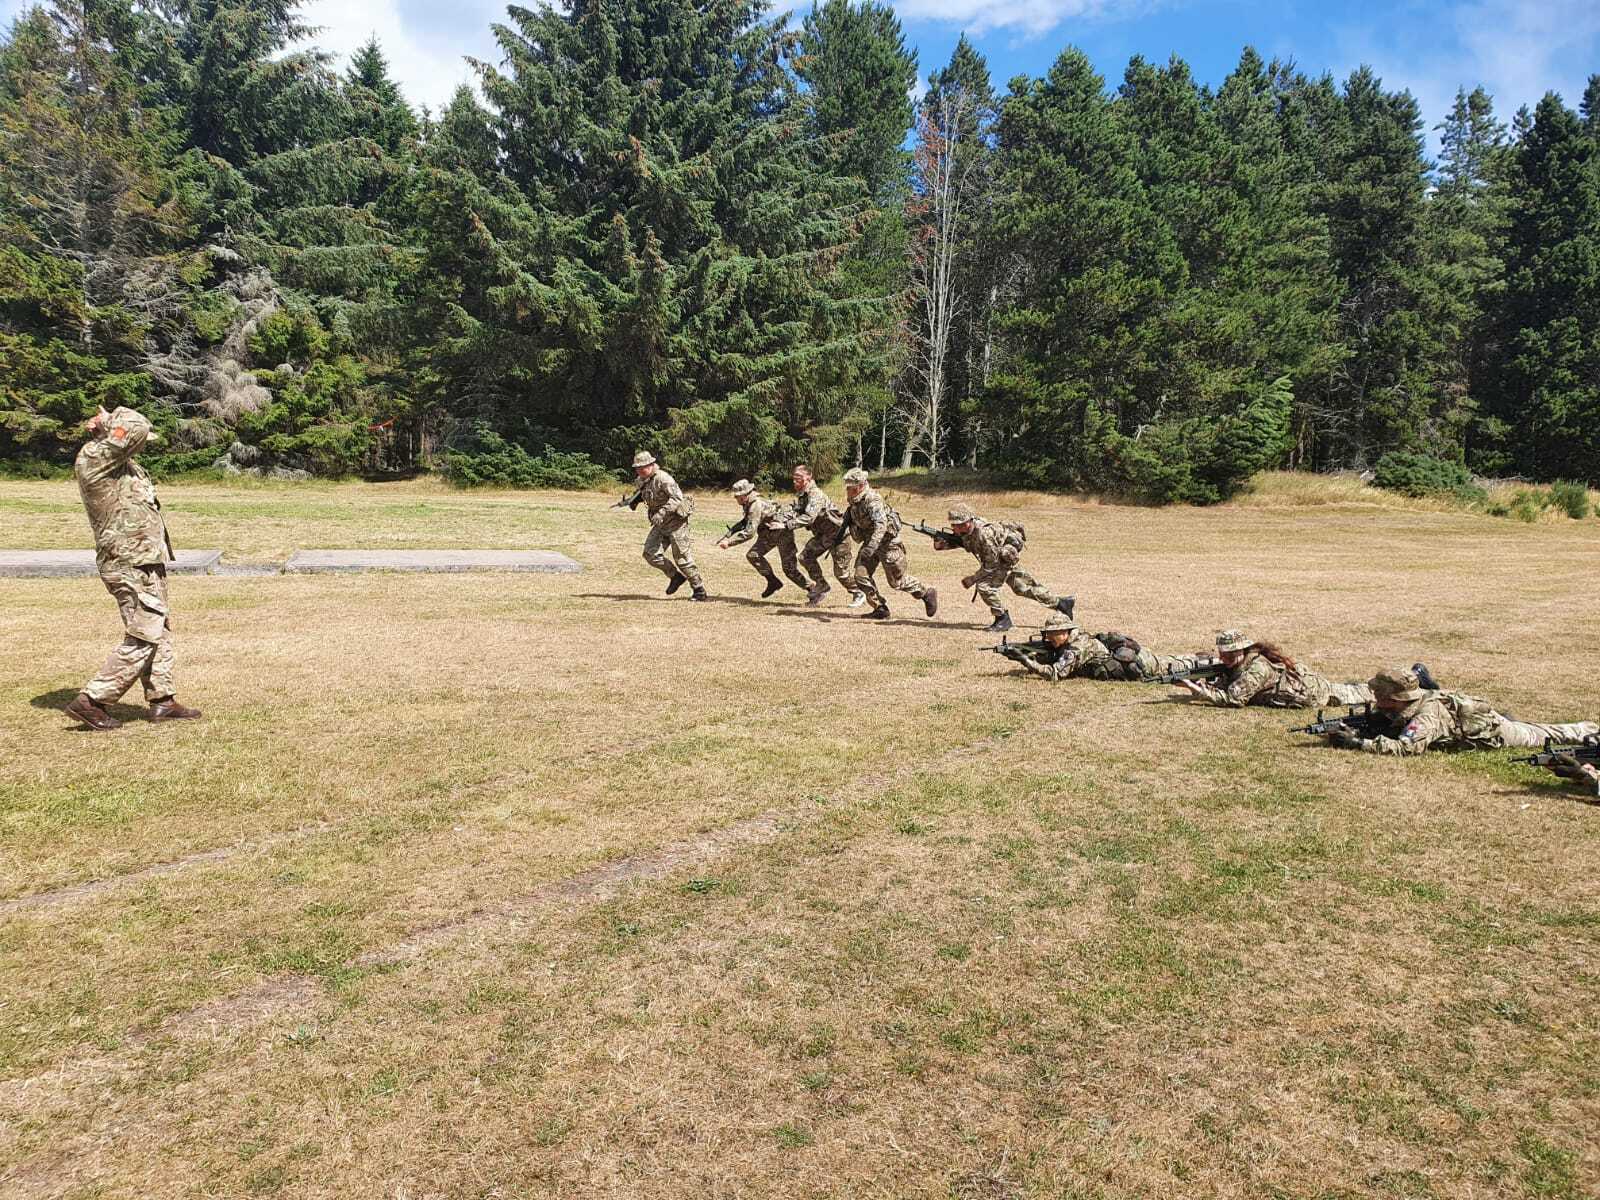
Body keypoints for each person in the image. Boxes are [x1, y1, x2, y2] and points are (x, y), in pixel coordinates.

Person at [64, 406, 201, 730]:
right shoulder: (94, 460)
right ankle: (93, 700)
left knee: (158, 628)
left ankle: (162, 700)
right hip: (127, 561)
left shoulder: (122, 465)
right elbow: (136, 427)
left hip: (144, 559)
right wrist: (112, 419)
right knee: (144, 632)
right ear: (114, 435)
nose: (140, 445)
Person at [1323, 668, 1600, 756]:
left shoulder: (1426, 716)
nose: (1374, 698)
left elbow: (1407, 748)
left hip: (1493, 733)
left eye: (1379, 695)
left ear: (1394, 698)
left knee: (1539, 734)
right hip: (1479, 721)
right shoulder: (1409, 706)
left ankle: (1586, 729)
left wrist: (1359, 743)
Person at [930, 501, 1073, 632]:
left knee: (985, 587)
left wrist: (972, 579)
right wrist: (940, 542)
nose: (953, 527)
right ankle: (1061, 604)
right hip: (1002, 558)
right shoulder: (966, 531)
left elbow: (991, 565)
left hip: (1001, 560)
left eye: (956, 524)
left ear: (967, 522)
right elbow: (965, 543)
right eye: (953, 524)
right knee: (1022, 588)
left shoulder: (984, 534)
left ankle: (1002, 619)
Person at [1175, 629, 1373, 709]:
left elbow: (1234, 699)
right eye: (1221, 653)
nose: (1223, 658)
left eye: (1229, 654)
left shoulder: (1258, 668)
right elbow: (1231, 685)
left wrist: (1198, 691)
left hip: (1314, 693)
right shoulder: (1239, 664)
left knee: (1361, 694)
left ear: (1243, 650)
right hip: (1307, 686)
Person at [841, 468, 937, 621]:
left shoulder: (873, 500)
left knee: (896, 582)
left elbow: (881, 525)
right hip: (870, 543)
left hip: (887, 543)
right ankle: (880, 608)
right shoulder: (855, 502)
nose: (847, 489)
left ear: (860, 485)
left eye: (850, 486)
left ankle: (926, 593)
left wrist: (872, 546)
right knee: (860, 576)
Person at [630, 451, 707, 601]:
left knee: (682, 559)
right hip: (660, 525)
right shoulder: (642, 479)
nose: (639, 470)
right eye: (637, 468)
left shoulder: (664, 479)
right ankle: (675, 577)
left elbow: (677, 498)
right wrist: (634, 501)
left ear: (651, 465)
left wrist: (661, 513)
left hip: (676, 523)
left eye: (642, 467)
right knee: (650, 554)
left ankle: (699, 590)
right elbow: (644, 493)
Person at [717, 479, 809, 598]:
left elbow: (749, 532)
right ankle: (773, 582)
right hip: (770, 534)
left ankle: (813, 588)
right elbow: (745, 521)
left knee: (789, 569)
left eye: (738, 496)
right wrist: (728, 534)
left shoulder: (756, 505)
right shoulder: (748, 503)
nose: (736, 499)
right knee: (753, 555)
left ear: (745, 494)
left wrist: (729, 543)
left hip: (782, 534)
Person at [784, 464, 858, 607]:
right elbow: (793, 510)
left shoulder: (815, 494)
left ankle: (858, 591)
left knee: (841, 573)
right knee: (805, 557)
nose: (795, 482)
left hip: (838, 536)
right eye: (794, 479)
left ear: (808, 477)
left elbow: (809, 517)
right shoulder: (802, 495)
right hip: (823, 535)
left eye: (798, 479)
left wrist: (786, 525)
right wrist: (779, 517)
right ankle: (822, 586)